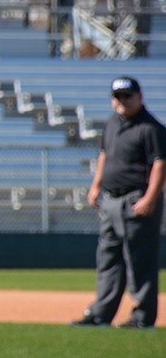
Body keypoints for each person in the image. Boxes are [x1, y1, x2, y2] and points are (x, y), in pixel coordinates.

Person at [72, 76, 164, 329]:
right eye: (117, 96)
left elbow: (160, 164)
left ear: (139, 97)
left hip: (136, 199)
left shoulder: (151, 128)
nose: (121, 101)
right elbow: (104, 155)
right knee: (108, 259)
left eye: (127, 96)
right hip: (111, 199)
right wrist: (95, 186)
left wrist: (150, 198)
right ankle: (101, 313)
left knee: (140, 260)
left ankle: (142, 316)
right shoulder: (112, 124)